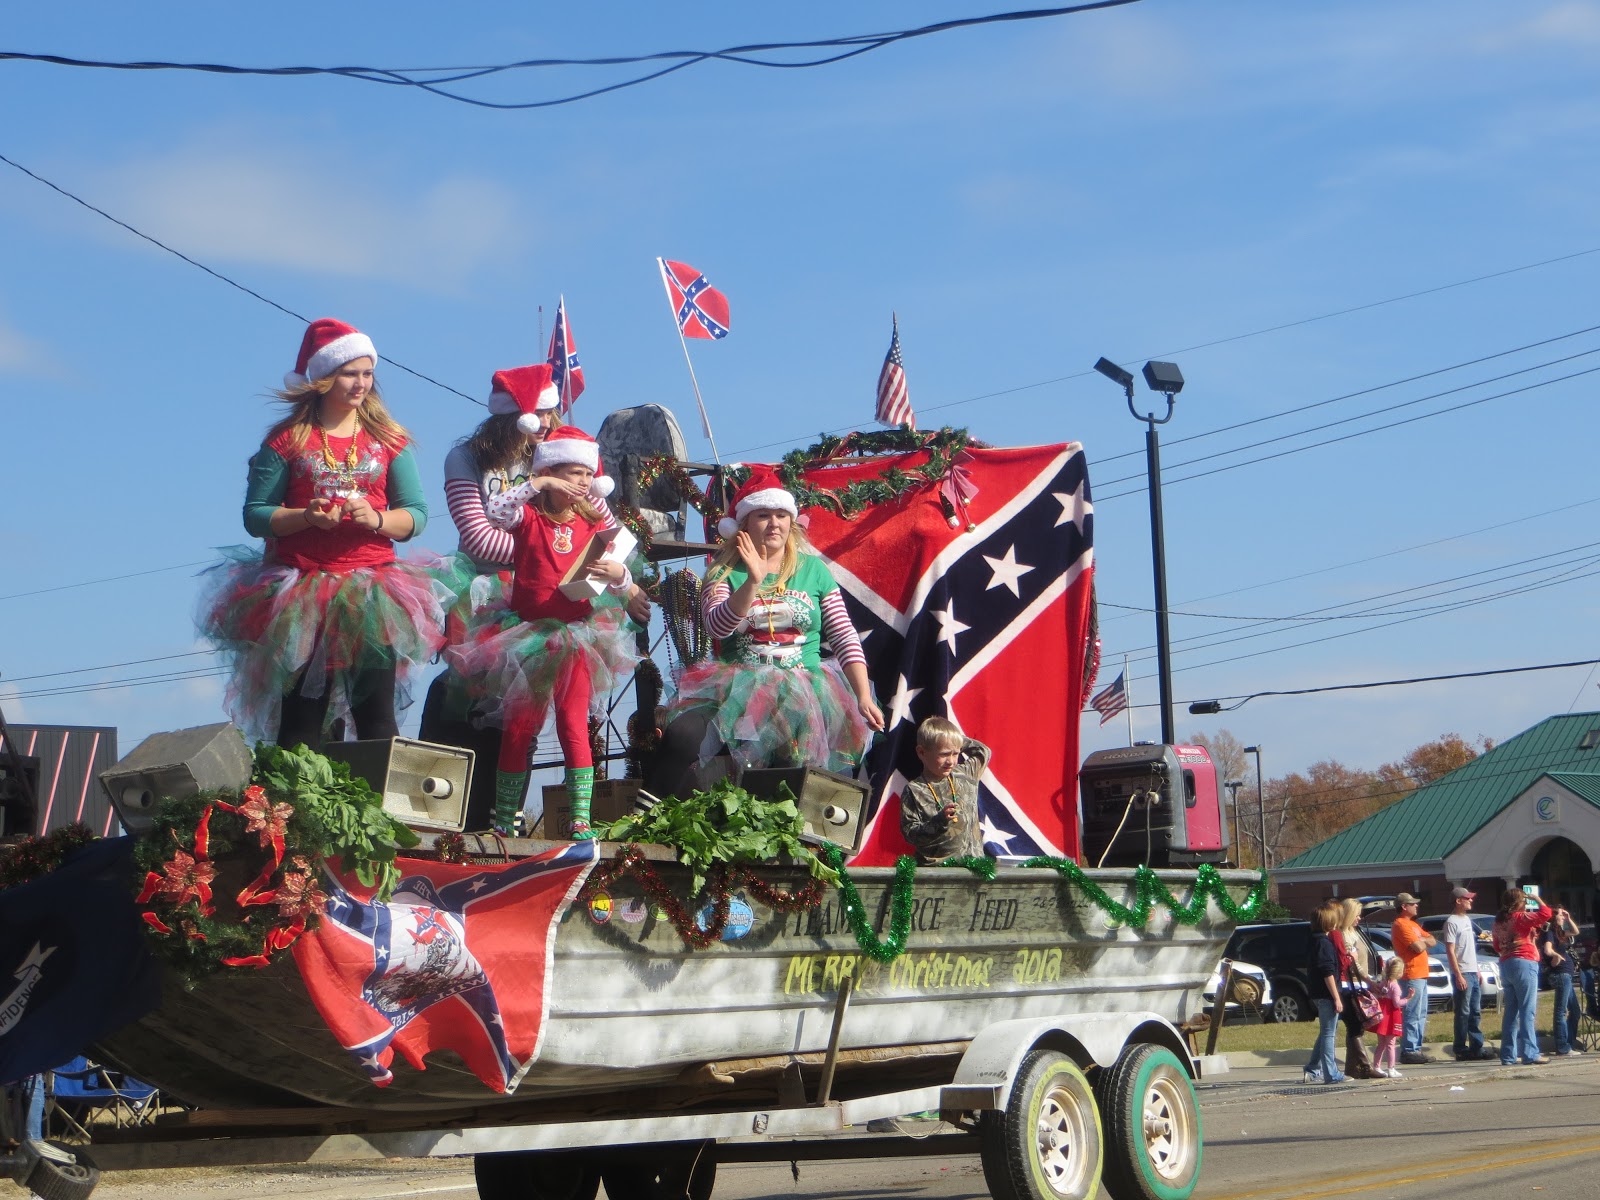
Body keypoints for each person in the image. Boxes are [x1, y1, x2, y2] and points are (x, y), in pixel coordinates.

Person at [199, 318, 465, 748]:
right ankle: (292, 813)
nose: (360, 383)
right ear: (323, 378)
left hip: (372, 593)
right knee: (303, 723)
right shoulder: (287, 440)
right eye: (349, 373)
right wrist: (306, 515)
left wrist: (376, 519)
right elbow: (255, 516)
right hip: (301, 593)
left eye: (367, 373)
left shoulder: (389, 440)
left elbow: (415, 515)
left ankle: (381, 814)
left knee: (377, 720)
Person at [422, 365, 649, 828]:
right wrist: (545, 554)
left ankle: (530, 816)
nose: (546, 424)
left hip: (566, 606)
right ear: (514, 418)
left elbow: (612, 537)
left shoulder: (571, 461)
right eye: (538, 415)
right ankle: (471, 815)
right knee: (479, 709)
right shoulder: (471, 459)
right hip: (491, 597)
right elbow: (481, 540)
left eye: (552, 414)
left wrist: (623, 582)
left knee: (559, 720)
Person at [658, 466, 884, 791]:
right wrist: (753, 580)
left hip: (805, 689)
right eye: (763, 514)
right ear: (745, 524)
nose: (774, 523)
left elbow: (843, 634)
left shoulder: (814, 570)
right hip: (741, 687)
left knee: (797, 776)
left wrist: (863, 695)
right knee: (685, 737)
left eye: (781, 514)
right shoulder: (723, 571)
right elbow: (717, 627)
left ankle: (801, 838)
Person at [900, 717, 991, 865]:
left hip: (973, 866)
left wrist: (952, 739)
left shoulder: (965, 773)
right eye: (944, 754)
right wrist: (939, 821)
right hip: (937, 871)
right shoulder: (914, 790)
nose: (951, 761)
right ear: (922, 752)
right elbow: (910, 833)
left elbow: (983, 751)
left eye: (955, 753)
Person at [1493, 886, 1553, 1066]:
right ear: (1518, 902)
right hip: (1524, 962)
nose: (1526, 904)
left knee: (1511, 1011)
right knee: (1528, 1009)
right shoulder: (1520, 917)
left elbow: (1497, 946)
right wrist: (1537, 899)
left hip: (1506, 963)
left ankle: (1508, 1055)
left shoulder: (1498, 922)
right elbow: (1546, 913)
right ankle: (1530, 1053)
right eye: (1524, 901)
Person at [1442, 886, 1495, 1061]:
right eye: (1467, 898)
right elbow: (1450, 950)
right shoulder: (1451, 922)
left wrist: (1477, 969)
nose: (1471, 901)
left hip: (1473, 971)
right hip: (1463, 972)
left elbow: (1470, 949)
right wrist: (1458, 975)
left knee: (1475, 1011)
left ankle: (1476, 1047)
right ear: (1458, 901)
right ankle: (1460, 1048)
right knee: (1463, 1012)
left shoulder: (1467, 920)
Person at [1303, 899, 1347, 1085]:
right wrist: (1336, 997)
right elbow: (1327, 972)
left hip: (1317, 993)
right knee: (1329, 1034)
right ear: (1329, 922)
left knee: (1325, 1032)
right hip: (1326, 995)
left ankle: (1312, 1068)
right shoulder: (1325, 944)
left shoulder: (1314, 941)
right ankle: (1331, 1073)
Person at [1390, 892, 1436, 1065]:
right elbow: (1417, 947)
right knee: (1412, 1013)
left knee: (1422, 1013)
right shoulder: (1400, 925)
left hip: (1422, 974)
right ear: (1404, 906)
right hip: (1411, 974)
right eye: (1413, 903)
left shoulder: (1413, 925)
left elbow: (1433, 940)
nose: (1416, 906)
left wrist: (1423, 939)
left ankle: (1416, 1048)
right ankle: (1409, 1050)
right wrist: (1422, 941)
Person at [1333, 898, 1377, 1079]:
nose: (1359, 918)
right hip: (1347, 985)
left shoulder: (1354, 933)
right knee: (1355, 1025)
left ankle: (1352, 1068)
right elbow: (1352, 963)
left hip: (1358, 984)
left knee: (1358, 1026)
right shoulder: (1342, 935)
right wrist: (1370, 980)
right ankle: (1366, 1066)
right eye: (1357, 915)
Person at [1540, 904, 1584, 1057]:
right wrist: (1556, 956)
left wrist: (1568, 918)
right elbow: (1547, 949)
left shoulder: (1561, 933)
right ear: (1553, 917)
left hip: (1567, 975)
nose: (1562, 917)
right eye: (1560, 915)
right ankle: (1562, 1047)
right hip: (1560, 974)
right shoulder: (1550, 933)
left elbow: (1576, 931)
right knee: (1561, 1011)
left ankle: (1568, 1043)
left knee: (1576, 1011)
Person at [1373, 956, 1407, 1079]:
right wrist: (1408, 999)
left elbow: (1377, 995)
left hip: (1382, 1016)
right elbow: (1396, 1003)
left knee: (1381, 1043)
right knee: (1391, 1044)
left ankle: (1376, 1066)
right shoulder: (1395, 987)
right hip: (1391, 1016)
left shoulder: (1383, 983)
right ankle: (1391, 1068)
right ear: (1398, 973)